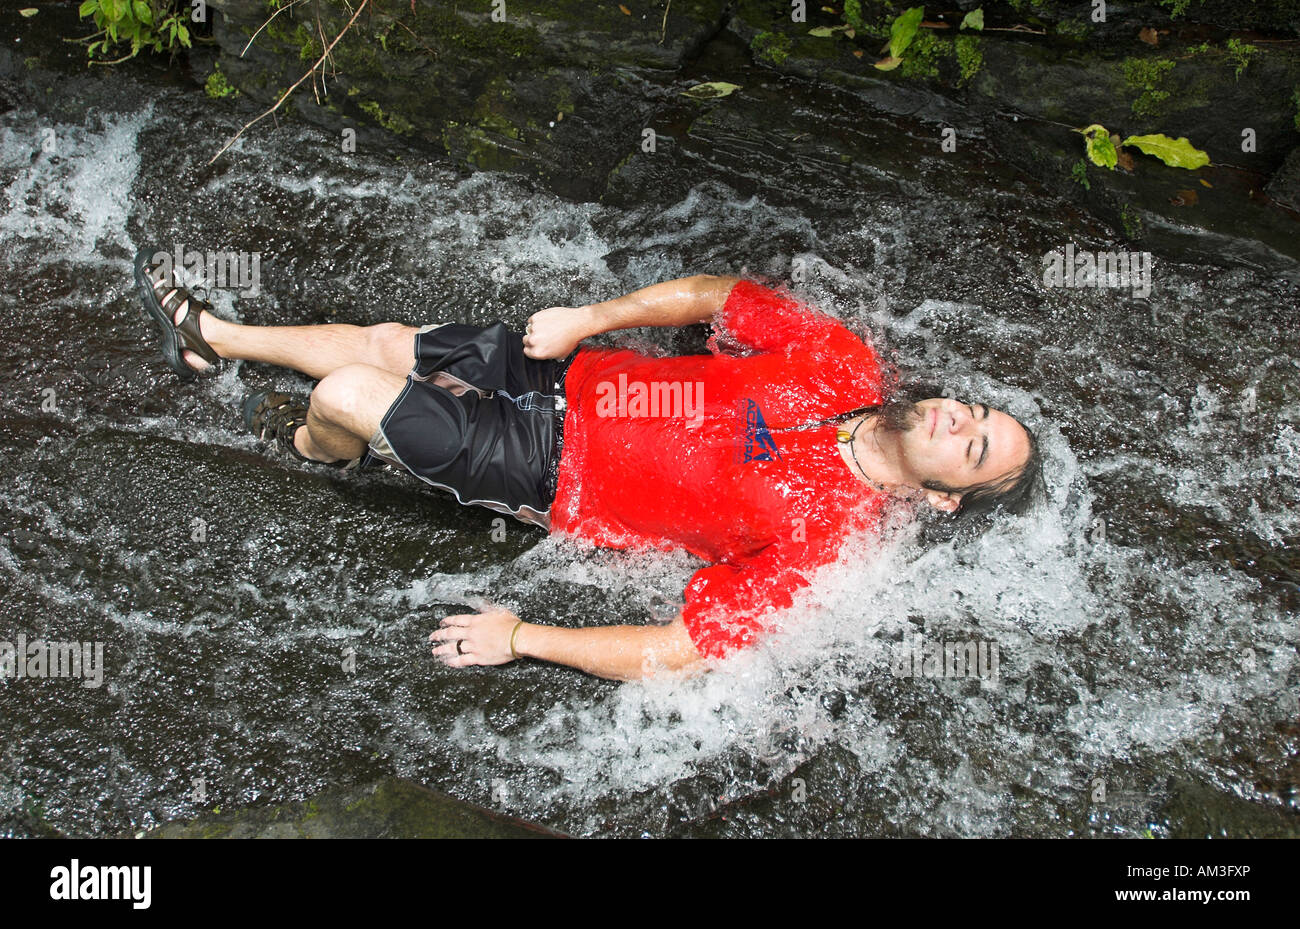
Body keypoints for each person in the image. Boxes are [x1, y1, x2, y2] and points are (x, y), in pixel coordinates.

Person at [135, 251, 1041, 682]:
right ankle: (208, 336)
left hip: (539, 469)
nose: (963, 416)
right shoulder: (844, 364)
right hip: (571, 373)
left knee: (344, 395)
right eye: (980, 412)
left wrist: (522, 637)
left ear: (941, 499)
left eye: (973, 445)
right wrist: (586, 320)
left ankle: (303, 447)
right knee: (384, 342)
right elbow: (716, 296)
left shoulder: (828, 541)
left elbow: (686, 652)